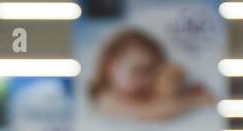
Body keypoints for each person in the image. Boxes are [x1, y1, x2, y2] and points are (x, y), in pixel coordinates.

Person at [87, 27, 216, 122]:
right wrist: (193, 100)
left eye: (153, 73)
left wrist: (187, 91)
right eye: (138, 70)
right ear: (111, 67)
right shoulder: (105, 99)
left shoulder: (140, 95)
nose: (146, 80)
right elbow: (153, 112)